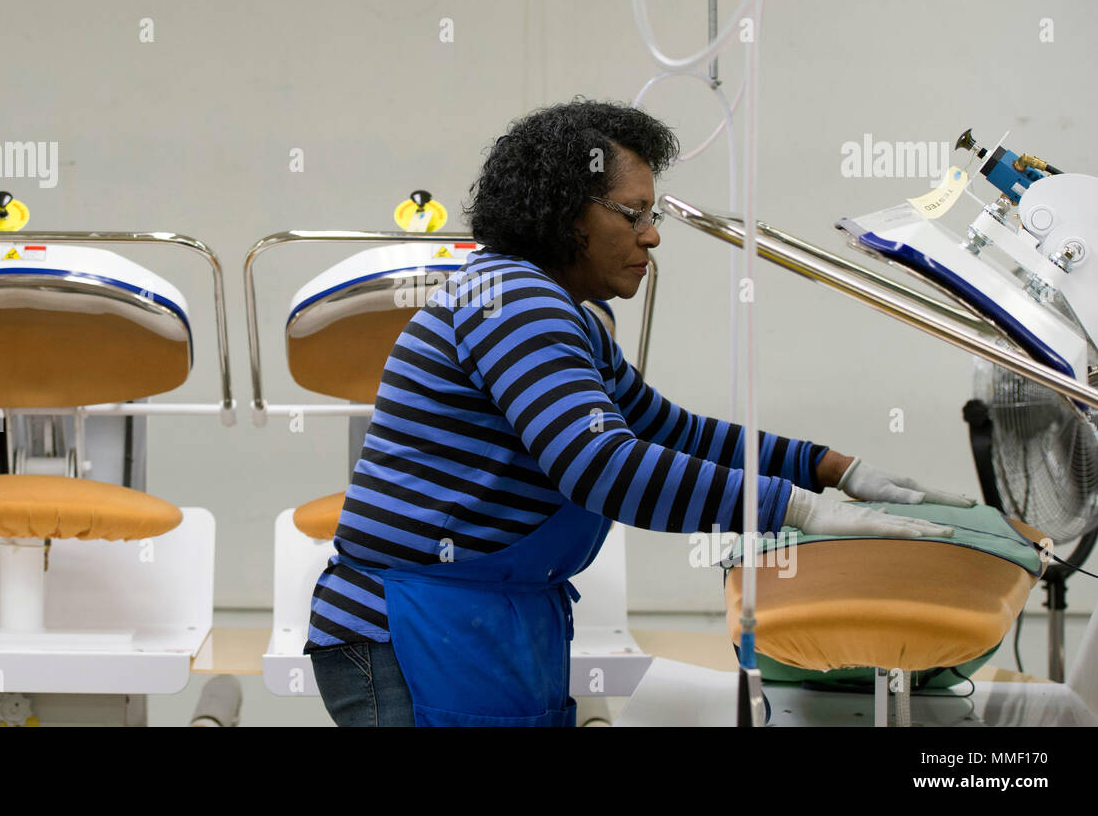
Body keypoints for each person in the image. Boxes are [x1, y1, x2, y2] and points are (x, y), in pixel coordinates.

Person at [305, 97, 969, 727]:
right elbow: (601, 468)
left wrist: (830, 468)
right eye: (633, 213)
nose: (651, 236)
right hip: (414, 627)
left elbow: (667, 430)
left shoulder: (561, 312)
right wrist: (796, 508)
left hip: (479, 616)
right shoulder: (514, 299)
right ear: (567, 213)